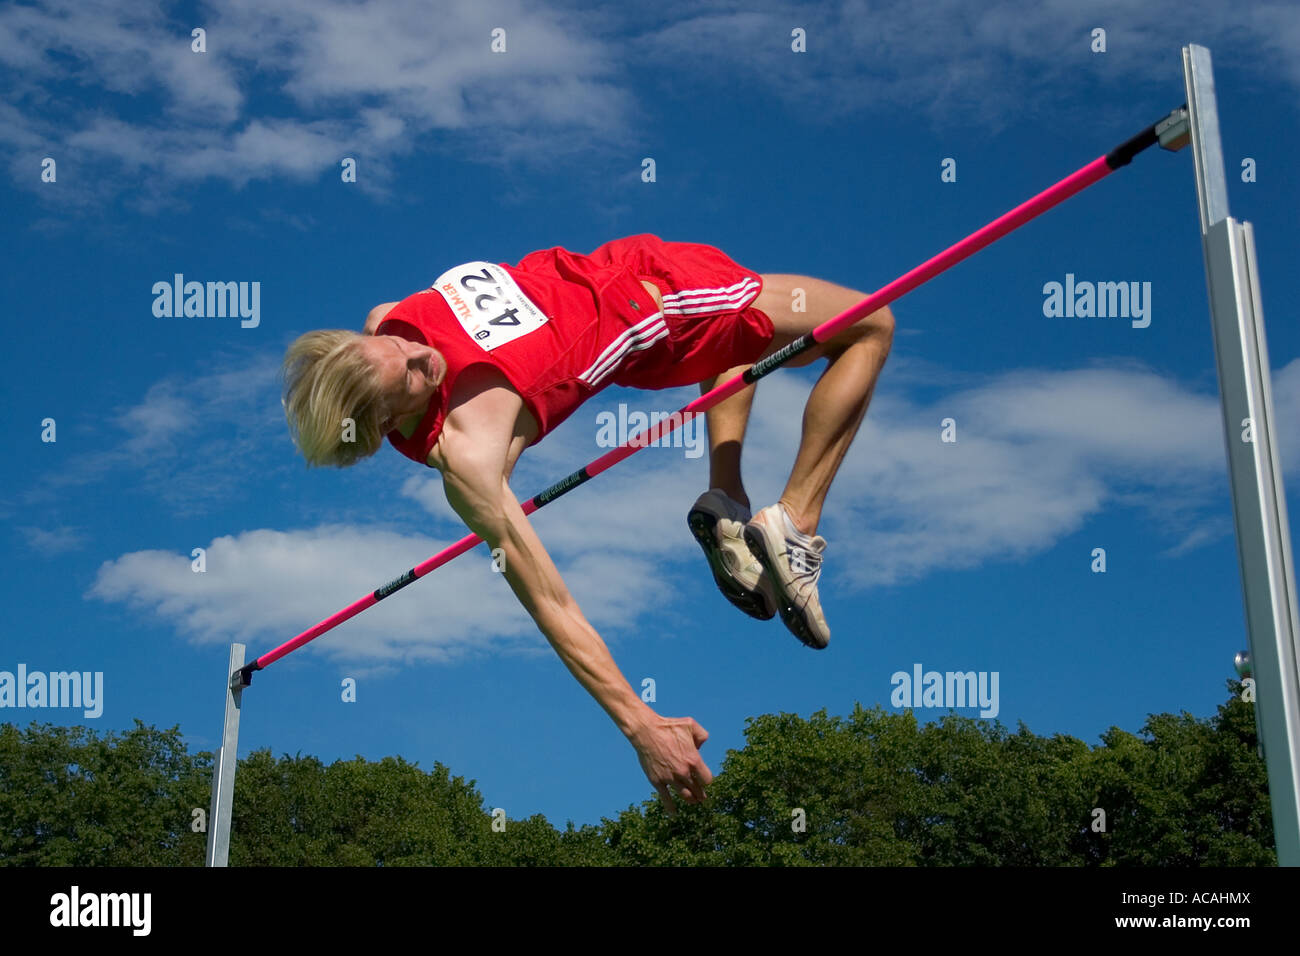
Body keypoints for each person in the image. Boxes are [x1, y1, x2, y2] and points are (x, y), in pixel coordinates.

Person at [281, 234, 893, 812]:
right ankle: (795, 520)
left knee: (741, 340)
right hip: (654, 306)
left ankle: (727, 502)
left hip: (617, 266)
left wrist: (386, 344)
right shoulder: (471, 452)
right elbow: (553, 603)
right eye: (410, 376)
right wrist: (639, 723)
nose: (421, 353)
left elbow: (388, 338)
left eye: (399, 347)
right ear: (388, 422)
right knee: (869, 325)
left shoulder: (384, 323)